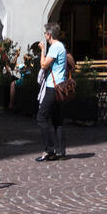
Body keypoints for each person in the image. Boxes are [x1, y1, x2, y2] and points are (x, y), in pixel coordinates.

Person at [37, 22, 68, 161]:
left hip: (53, 88)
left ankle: (49, 150)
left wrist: (42, 50)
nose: (44, 35)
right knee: (57, 119)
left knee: (42, 117)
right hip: (61, 86)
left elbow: (43, 65)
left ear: (49, 34)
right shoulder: (61, 46)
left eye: (45, 33)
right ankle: (60, 151)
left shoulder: (55, 47)